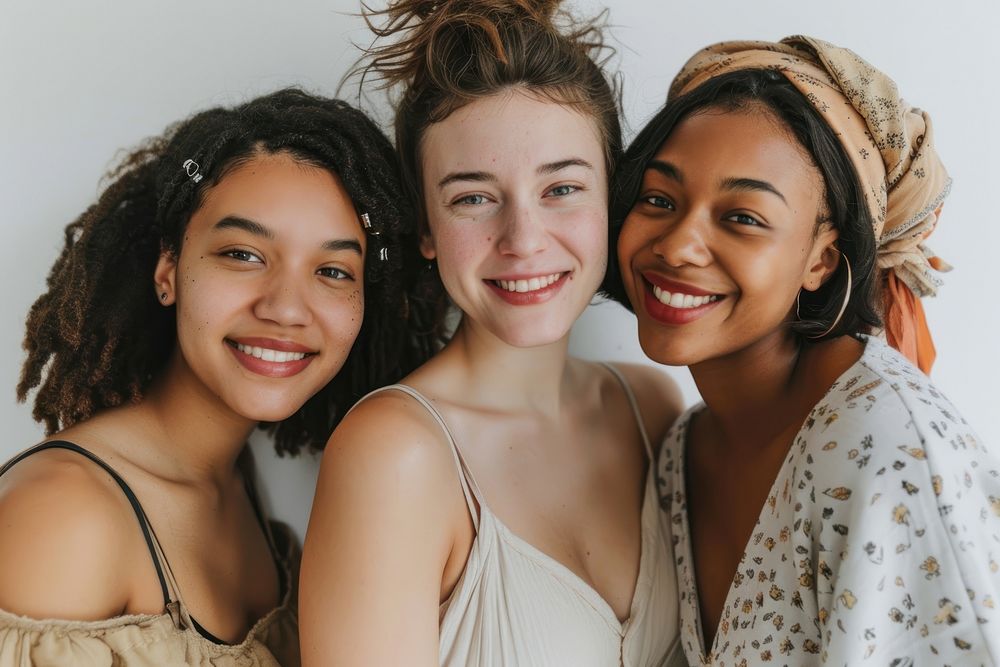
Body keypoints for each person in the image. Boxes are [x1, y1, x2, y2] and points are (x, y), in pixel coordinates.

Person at [299, 1, 685, 665]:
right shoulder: (394, 456)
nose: (523, 239)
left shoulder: (652, 407)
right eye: (473, 197)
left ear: (610, 200)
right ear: (425, 228)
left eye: (562, 188)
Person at [0, 88, 434, 666]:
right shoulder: (67, 516)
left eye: (333, 270)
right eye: (243, 255)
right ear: (169, 270)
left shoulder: (242, 485)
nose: (286, 308)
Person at [609, 36, 1000, 664]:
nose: (678, 245)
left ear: (822, 258)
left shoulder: (889, 456)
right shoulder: (679, 456)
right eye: (659, 200)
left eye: (742, 217)